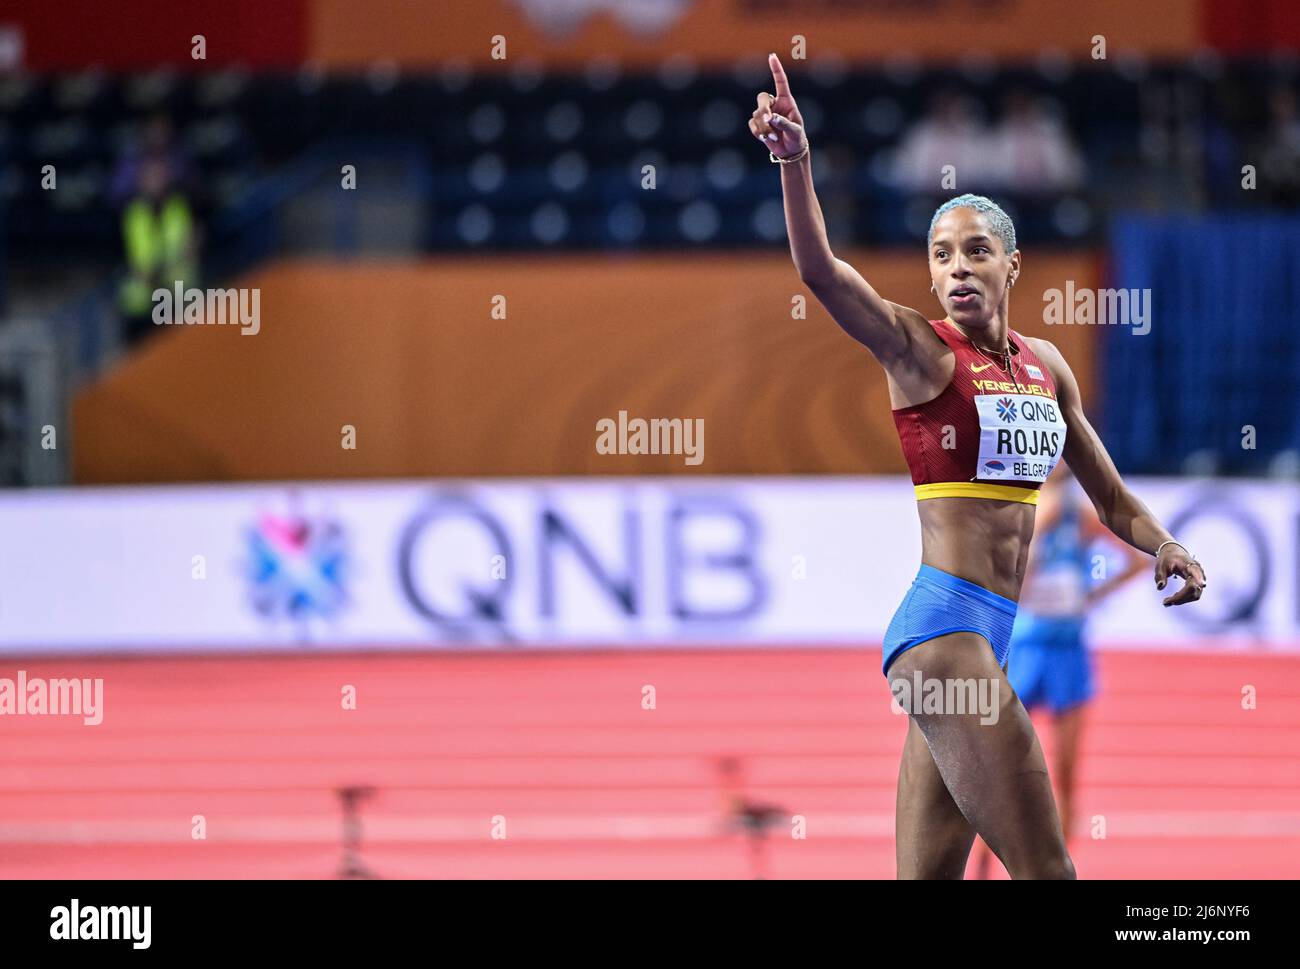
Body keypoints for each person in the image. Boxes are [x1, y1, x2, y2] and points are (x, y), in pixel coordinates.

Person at [748, 53, 1207, 879]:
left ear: (1012, 265)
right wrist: (796, 161)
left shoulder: (1047, 368)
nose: (956, 267)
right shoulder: (920, 351)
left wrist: (1164, 542)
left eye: (976, 250)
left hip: (985, 643)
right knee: (1049, 869)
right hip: (942, 635)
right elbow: (820, 271)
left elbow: (1110, 494)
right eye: (941, 255)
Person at [969, 465, 1146, 879]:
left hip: (1068, 650)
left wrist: (1092, 594)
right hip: (1026, 649)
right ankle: (979, 869)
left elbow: (1135, 562)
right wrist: (1023, 583)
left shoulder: (1078, 516)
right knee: (1000, 770)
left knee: (1066, 775)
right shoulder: (1019, 513)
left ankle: (1056, 871)